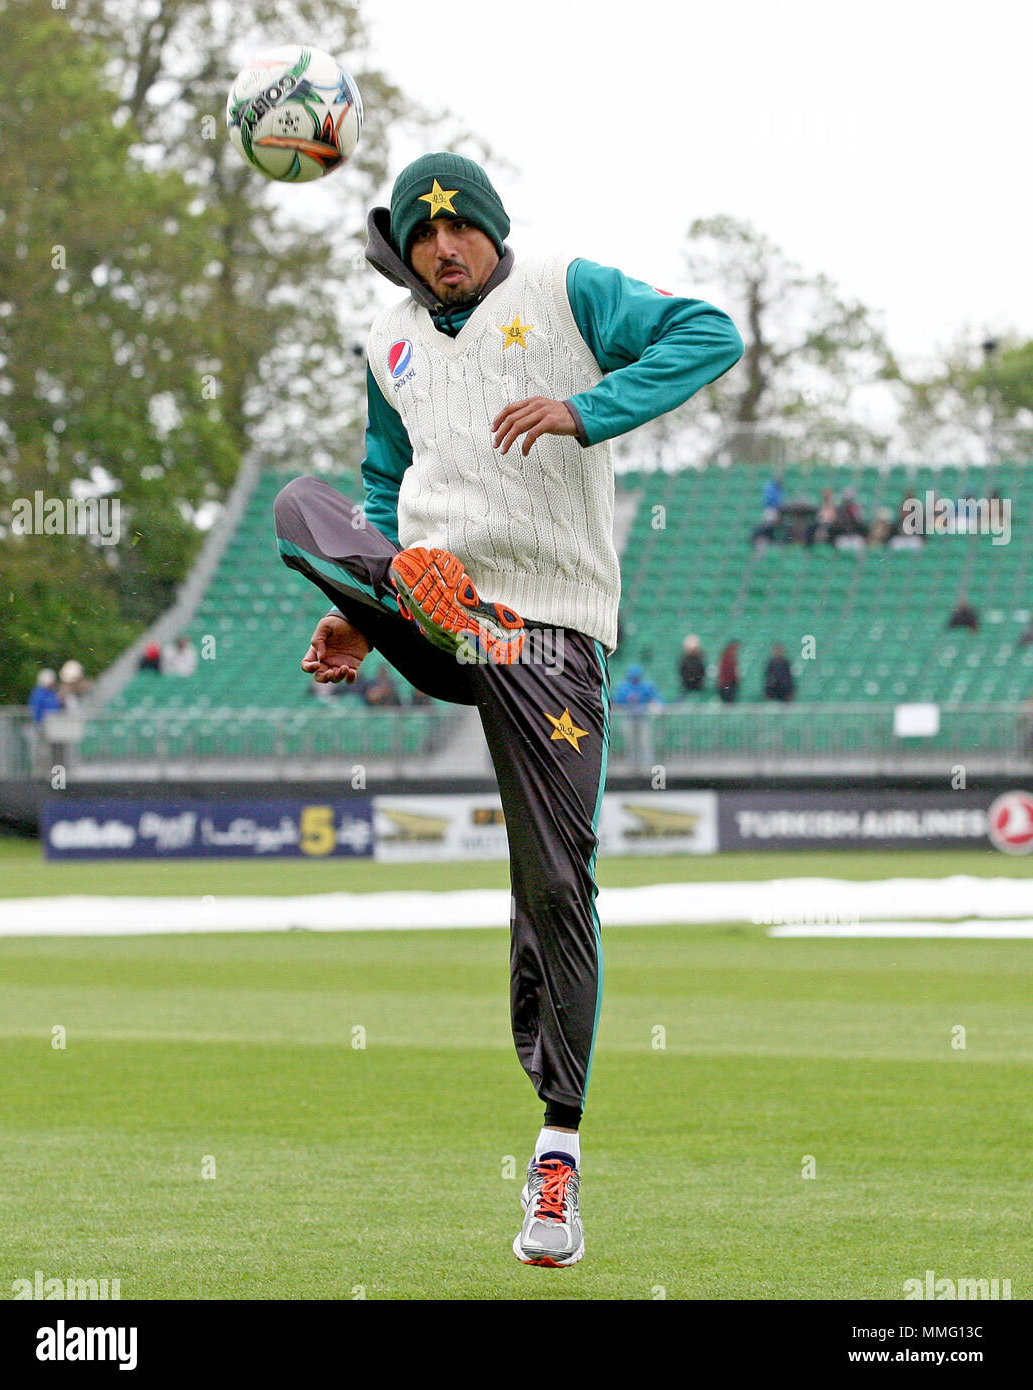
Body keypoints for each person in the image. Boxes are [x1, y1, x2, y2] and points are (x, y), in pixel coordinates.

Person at [272, 150, 743, 1267]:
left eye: (460, 229)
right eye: (424, 234)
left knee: (552, 879)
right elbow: (380, 486)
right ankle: (427, 596)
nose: (442, 249)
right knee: (303, 503)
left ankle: (558, 1154)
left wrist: (589, 409)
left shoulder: (567, 289)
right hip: (436, 611)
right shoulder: (386, 344)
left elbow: (710, 333)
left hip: (546, 632)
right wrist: (360, 603)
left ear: (491, 228)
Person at [612, 662, 663, 769]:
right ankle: (632, 765)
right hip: (629, 718)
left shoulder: (646, 686)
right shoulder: (624, 687)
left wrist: (655, 705)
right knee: (631, 743)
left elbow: (656, 699)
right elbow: (617, 701)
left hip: (643, 719)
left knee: (645, 742)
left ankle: (647, 765)